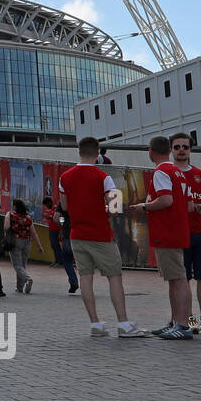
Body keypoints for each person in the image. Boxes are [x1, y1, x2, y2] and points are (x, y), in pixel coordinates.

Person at [58, 137, 147, 337]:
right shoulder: (103, 177)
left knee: (86, 278)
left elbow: (64, 206)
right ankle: (123, 324)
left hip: (77, 235)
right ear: (98, 154)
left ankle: (95, 324)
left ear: (79, 152)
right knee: (114, 277)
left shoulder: (65, 177)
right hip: (100, 235)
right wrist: (104, 210)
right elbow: (115, 208)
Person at [129, 135, 193, 340]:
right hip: (176, 229)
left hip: (167, 231)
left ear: (151, 151)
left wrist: (144, 206)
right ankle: (176, 322)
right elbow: (186, 204)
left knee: (178, 278)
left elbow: (166, 199)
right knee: (175, 278)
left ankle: (182, 325)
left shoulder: (161, 171)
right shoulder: (177, 171)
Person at [171, 133, 201, 334]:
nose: (181, 150)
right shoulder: (166, 173)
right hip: (180, 235)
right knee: (183, 279)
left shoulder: (200, 174)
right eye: (177, 147)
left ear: (190, 150)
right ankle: (189, 319)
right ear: (171, 151)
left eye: (185, 146)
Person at [5, 199, 34, 294]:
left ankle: (28, 278)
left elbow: (6, 227)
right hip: (27, 242)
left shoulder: (10, 214)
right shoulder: (28, 217)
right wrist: (39, 246)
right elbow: (33, 232)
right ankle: (20, 288)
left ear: (14, 206)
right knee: (22, 265)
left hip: (16, 241)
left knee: (17, 265)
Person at [42, 195, 63, 267]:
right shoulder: (51, 209)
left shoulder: (55, 208)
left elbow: (56, 218)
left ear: (49, 202)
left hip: (56, 230)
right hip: (51, 230)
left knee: (56, 246)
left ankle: (60, 262)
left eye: (46, 204)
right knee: (53, 246)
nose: (46, 206)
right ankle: (56, 260)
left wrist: (47, 216)